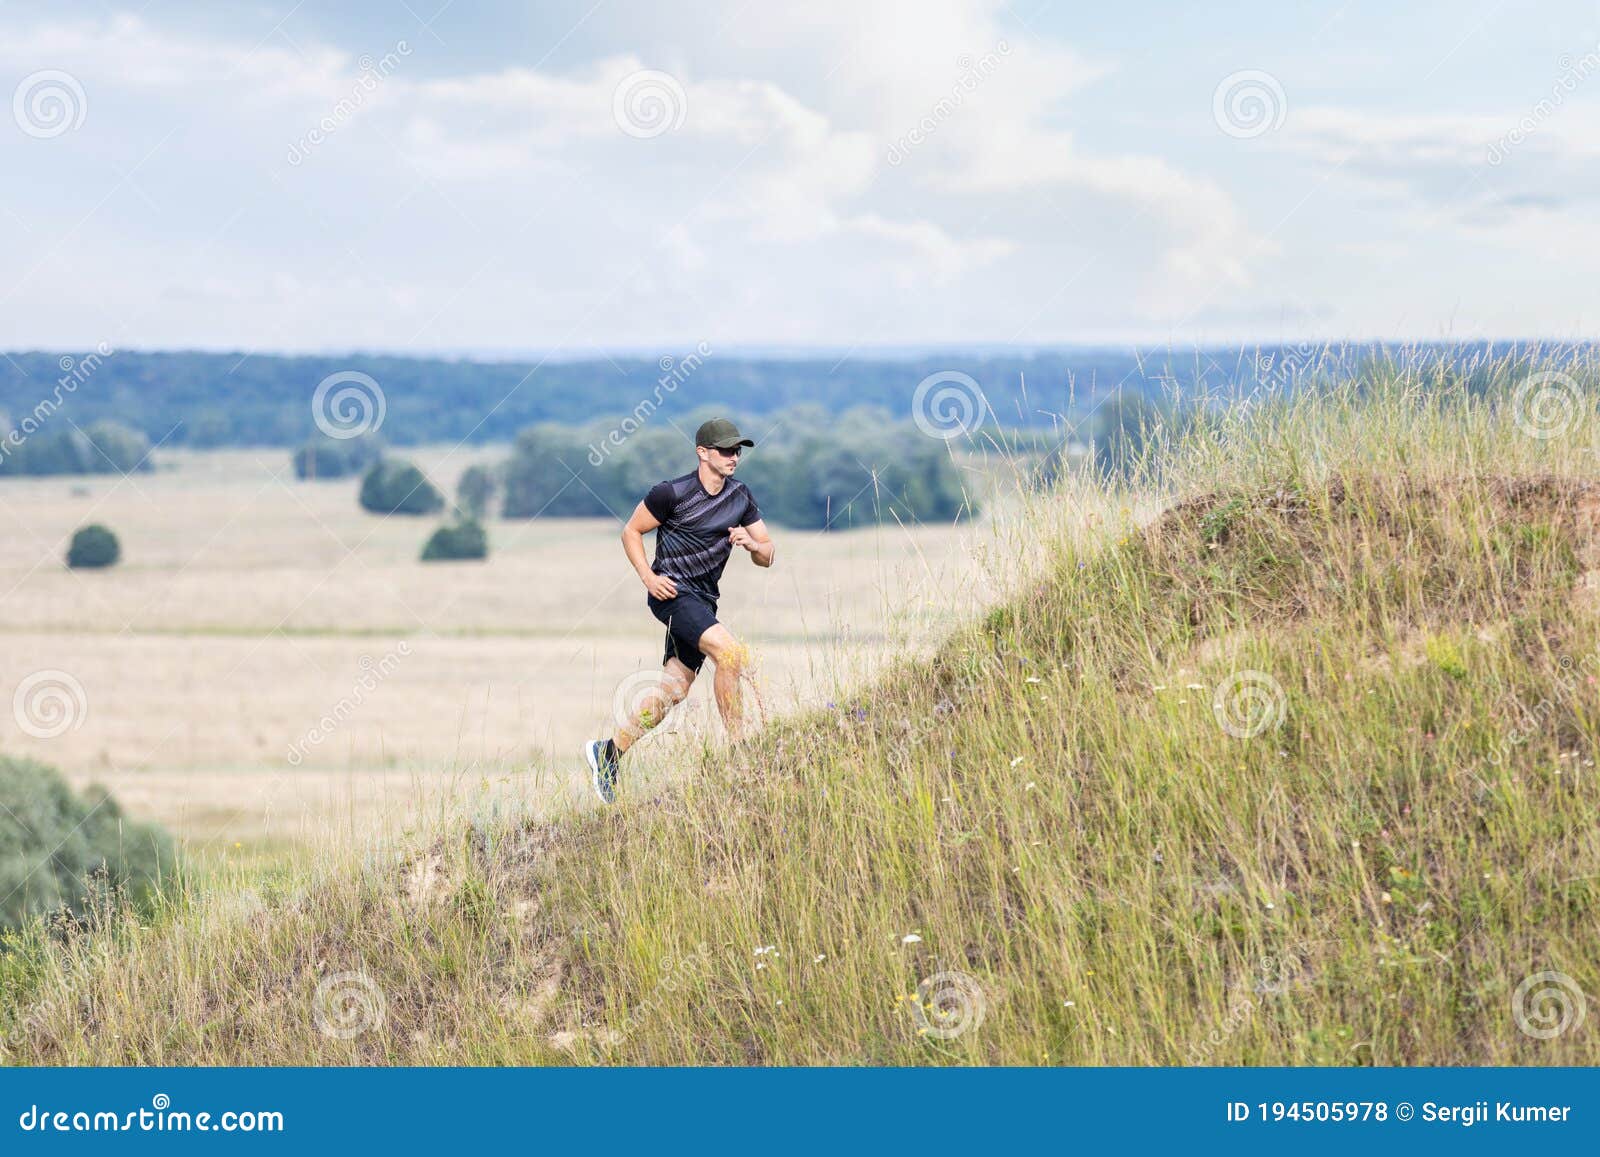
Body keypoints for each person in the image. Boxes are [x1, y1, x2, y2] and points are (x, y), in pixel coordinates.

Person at [584, 417, 775, 803]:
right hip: (672, 594)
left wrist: (752, 545)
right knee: (732, 654)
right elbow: (631, 531)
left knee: (674, 690)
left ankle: (609, 752)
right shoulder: (671, 493)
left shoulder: (741, 496)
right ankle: (739, 752)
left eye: (737, 450)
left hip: (703, 602)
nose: (733, 456)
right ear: (702, 453)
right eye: (725, 450)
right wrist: (647, 577)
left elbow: (768, 553)